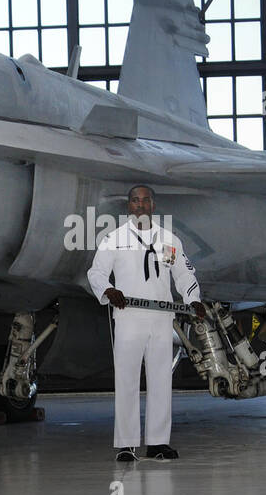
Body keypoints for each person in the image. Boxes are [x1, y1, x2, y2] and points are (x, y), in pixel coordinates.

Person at [87, 185, 205, 462]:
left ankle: (158, 443)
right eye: (135, 201)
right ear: (128, 206)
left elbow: (183, 275)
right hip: (129, 318)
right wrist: (107, 290)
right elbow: (97, 272)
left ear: (153, 205)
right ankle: (126, 445)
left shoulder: (167, 240)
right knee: (126, 380)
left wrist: (193, 299)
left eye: (145, 201)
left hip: (161, 319)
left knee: (161, 380)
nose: (140, 205)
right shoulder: (114, 239)